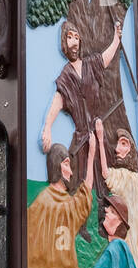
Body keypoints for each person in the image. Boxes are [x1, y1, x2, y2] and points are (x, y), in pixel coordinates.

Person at [41, 17, 122, 233]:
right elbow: (57, 103)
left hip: (98, 131)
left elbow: (106, 56)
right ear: (64, 43)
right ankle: (81, 225)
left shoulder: (91, 65)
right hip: (81, 137)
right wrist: (47, 127)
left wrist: (116, 38)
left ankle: (105, 225)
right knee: (78, 181)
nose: (74, 42)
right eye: (70, 37)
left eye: (77, 37)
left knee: (102, 180)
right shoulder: (65, 76)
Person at [27, 134, 97, 268]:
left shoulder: (38, 204)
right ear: (56, 164)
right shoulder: (48, 205)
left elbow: (84, 194)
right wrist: (91, 155)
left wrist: (92, 155)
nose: (71, 173)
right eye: (66, 164)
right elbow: (86, 191)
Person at [95, 117, 138, 268]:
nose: (117, 149)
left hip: (128, 236)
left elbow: (105, 173)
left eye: (123, 144)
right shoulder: (136, 179)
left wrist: (100, 137)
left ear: (130, 149)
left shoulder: (129, 178)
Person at [89, 193, 138, 268]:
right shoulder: (122, 248)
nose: (106, 210)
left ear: (120, 223)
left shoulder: (116, 247)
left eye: (112, 212)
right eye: (108, 208)